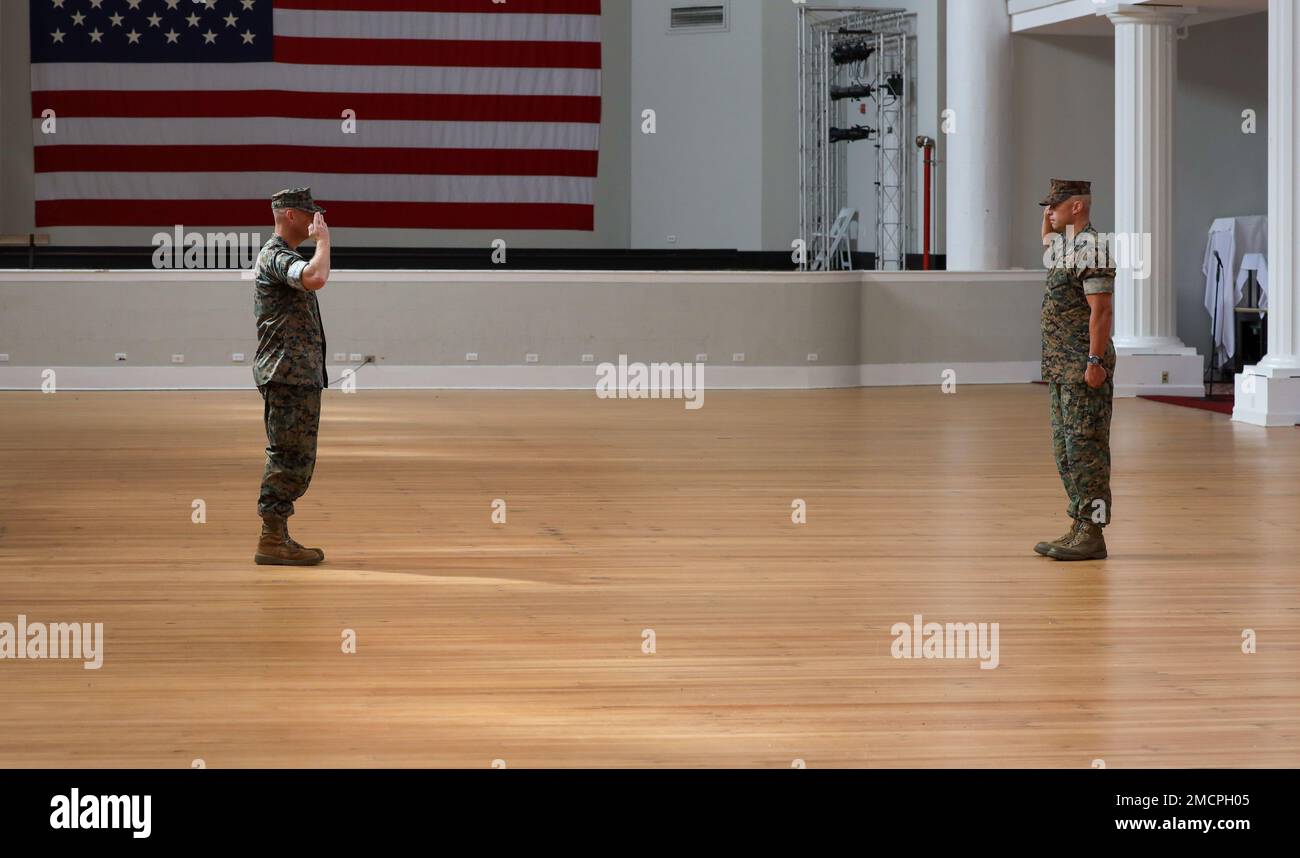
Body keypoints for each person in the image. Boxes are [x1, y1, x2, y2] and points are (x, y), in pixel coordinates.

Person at [1033, 179, 1115, 562]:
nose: (1049, 212)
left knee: (1087, 449)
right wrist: (1049, 213)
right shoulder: (1065, 247)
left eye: (1056, 205)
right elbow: (1046, 236)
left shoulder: (1091, 248)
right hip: (1062, 369)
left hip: (1084, 367)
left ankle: (1093, 530)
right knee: (1065, 450)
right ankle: (1080, 523)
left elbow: (1102, 310)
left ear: (1077, 206)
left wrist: (1095, 361)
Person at [252, 188, 331, 566]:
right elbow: (315, 277)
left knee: (298, 457)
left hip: (296, 374)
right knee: (287, 455)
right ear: (290, 216)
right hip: (286, 373)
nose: (317, 221)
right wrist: (324, 242)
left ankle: (277, 533)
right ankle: (271, 538)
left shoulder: (285, 257)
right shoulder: (275, 257)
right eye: (310, 214)